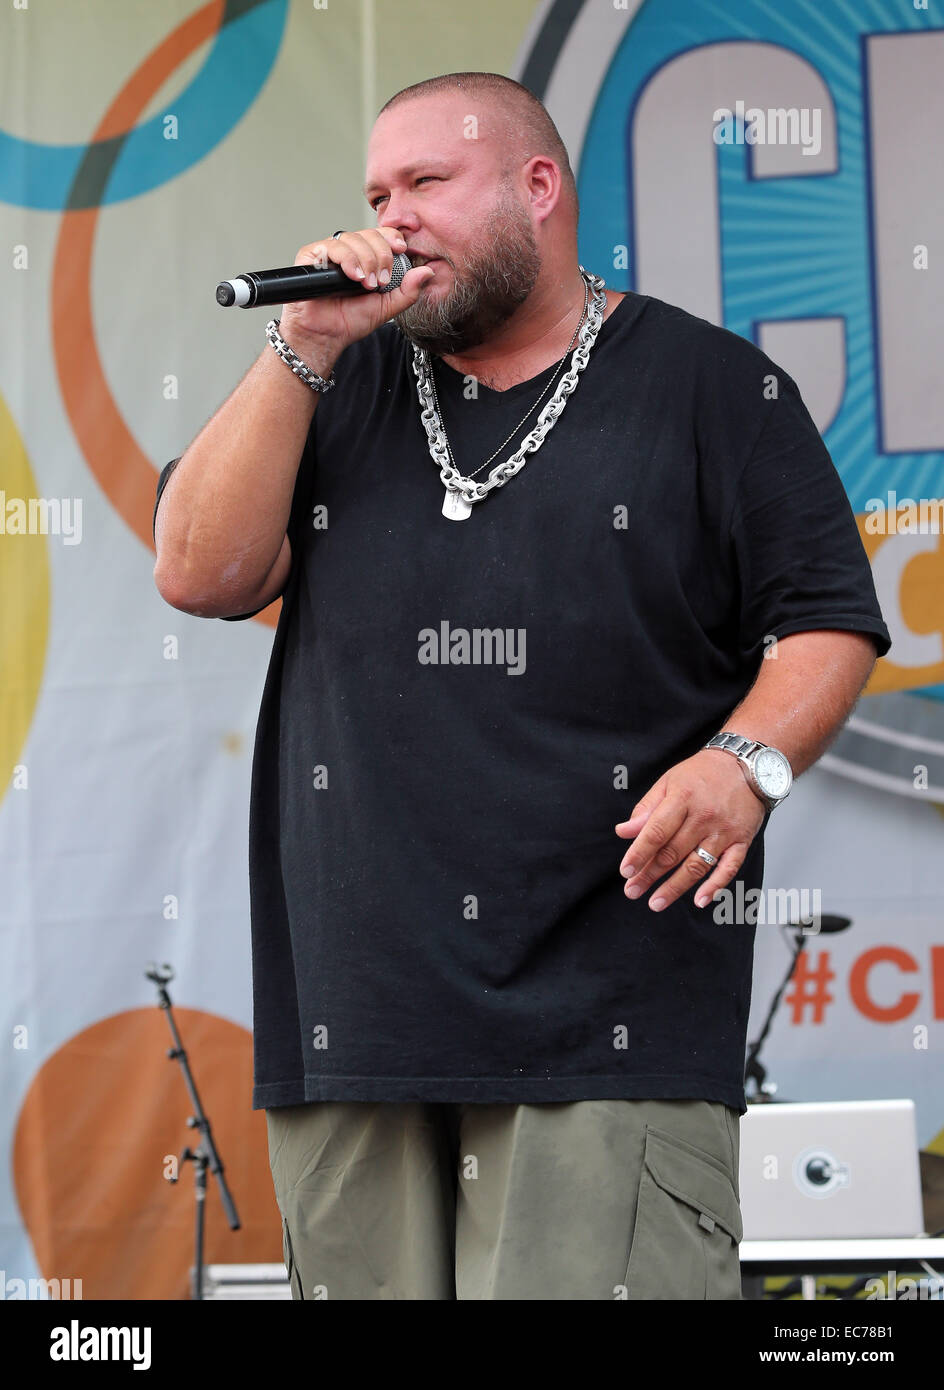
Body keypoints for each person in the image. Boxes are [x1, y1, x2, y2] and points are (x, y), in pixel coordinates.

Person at [152, 71, 891, 1300]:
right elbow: (199, 572)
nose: (391, 222)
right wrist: (302, 343)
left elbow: (823, 620)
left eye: (425, 185)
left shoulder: (711, 388)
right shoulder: (333, 384)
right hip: (359, 1016)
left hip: (609, 1012)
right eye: (377, 195)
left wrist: (742, 762)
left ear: (535, 188)